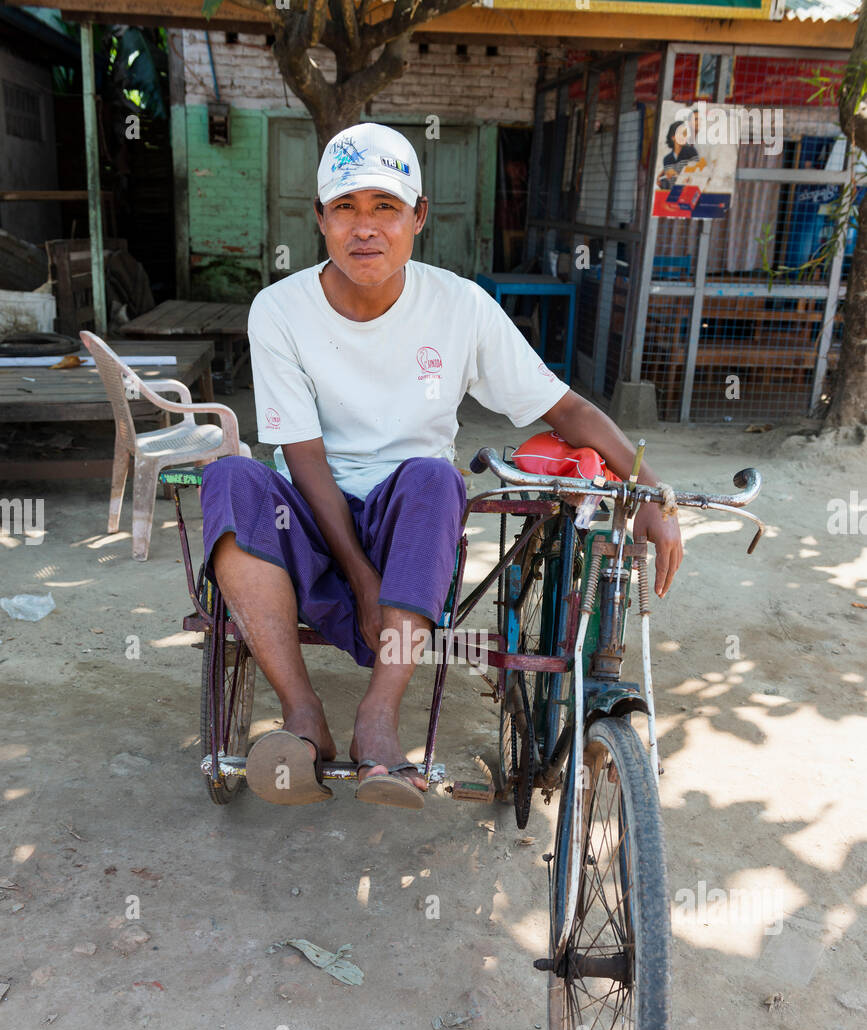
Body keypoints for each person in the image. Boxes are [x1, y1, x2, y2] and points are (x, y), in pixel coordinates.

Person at [200, 122, 682, 810]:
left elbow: (565, 409)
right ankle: (303, 714)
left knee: (435, 476)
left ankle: (378, 718)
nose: (365, 228)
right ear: (319, 219)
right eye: (345, 208)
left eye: (385, 208)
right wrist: (363, 579)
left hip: (411, 520)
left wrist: (651, 489)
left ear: (418, 216)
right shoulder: (279, 310)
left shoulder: (457, 306)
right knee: (229, 477)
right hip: (308, 512)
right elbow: (302, 457)